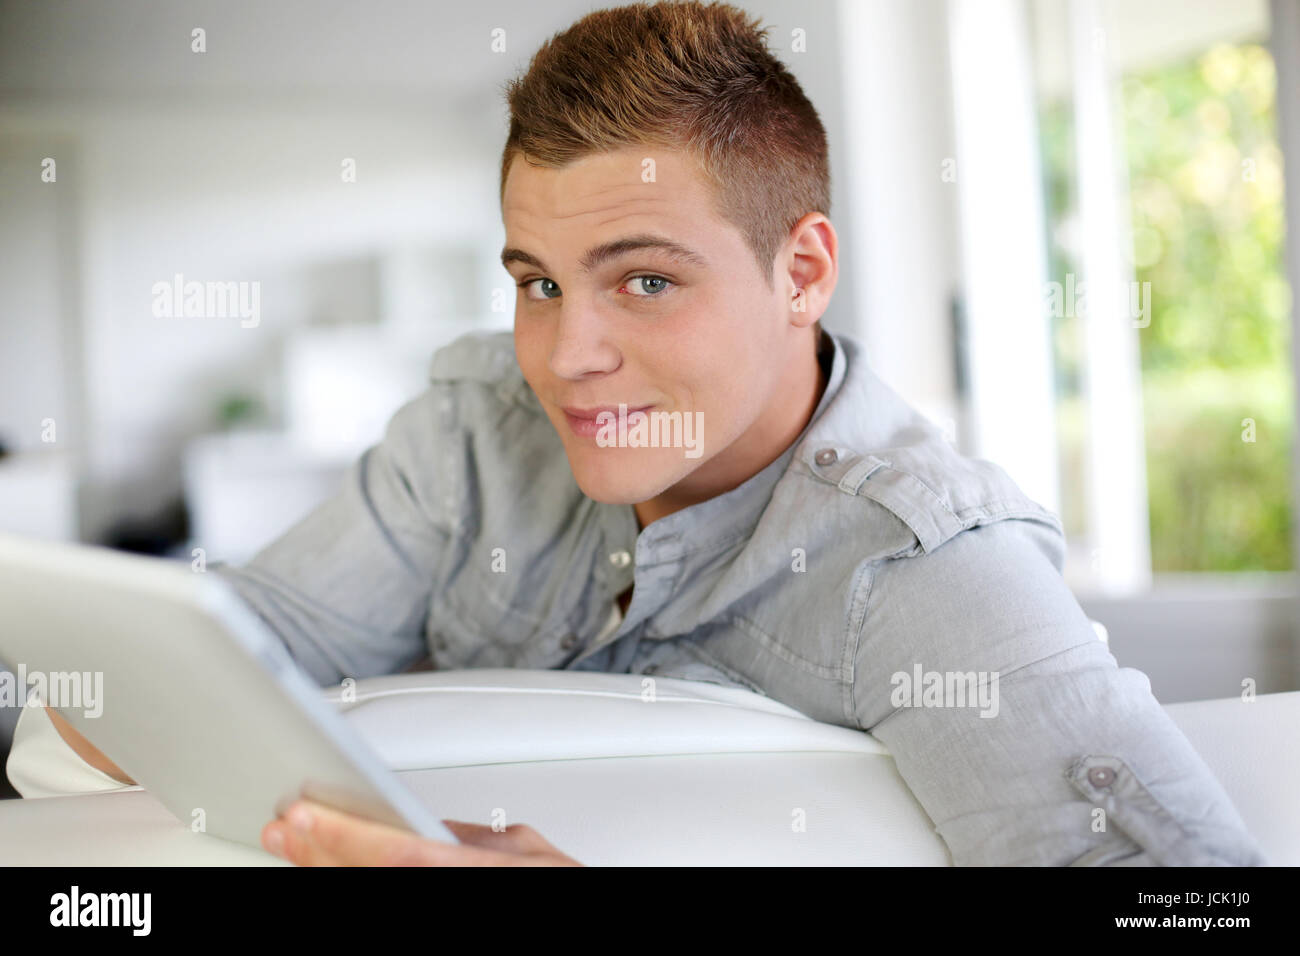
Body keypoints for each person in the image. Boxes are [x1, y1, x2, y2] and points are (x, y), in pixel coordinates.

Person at [20, 0, 1265, 867]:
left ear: (802, 270)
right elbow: (246, 649)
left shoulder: (923, 565)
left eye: (646, 281)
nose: (564, 358)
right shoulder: (471, 436)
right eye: (539, 281)